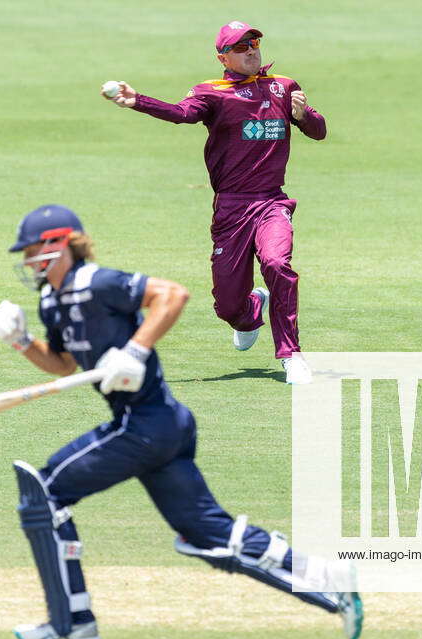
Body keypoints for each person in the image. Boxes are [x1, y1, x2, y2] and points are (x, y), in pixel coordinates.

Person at [0, 204, 362, 639]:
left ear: (59, 244)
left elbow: (173, 295)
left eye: (32, 251)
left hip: (145, 424)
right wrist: (22, 342)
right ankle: (327, 578)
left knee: (43, 492)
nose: (28, 261)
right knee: (206, 533)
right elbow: (65, 365)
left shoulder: (99, 282)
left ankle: (72, 623)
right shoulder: (51, 300)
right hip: (157, 428)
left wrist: (136, 350)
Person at [104, 21, 326, 385]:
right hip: (232, 209)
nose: (252, 50)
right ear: (223, 56)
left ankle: (291, 355)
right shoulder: (212, 92)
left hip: (272, 202)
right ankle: (251, 311)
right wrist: (137, 101)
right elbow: (182, 113)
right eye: (241, 47)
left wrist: (304, 116)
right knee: (228, 307)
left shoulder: (283, 87)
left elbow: (319, 132)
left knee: (277, 263)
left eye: (254, 42)